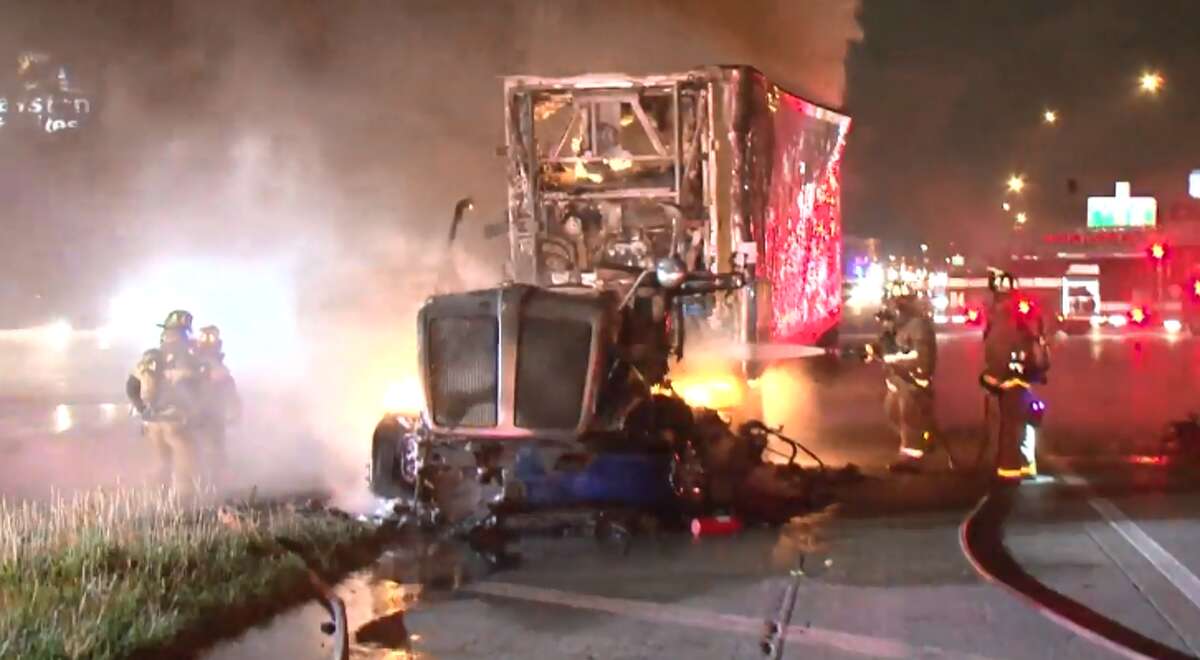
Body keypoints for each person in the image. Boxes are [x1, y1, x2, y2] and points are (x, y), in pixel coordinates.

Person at [980, 269, 1050, 480]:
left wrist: (993, 375)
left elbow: (999, 346)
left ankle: (1009, 469)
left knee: (1009, 422)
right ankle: (1026, 462)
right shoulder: (1021, 309)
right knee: (1024, 417)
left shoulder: (1003, 313)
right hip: (1024, 373)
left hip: (1009, 376)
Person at [125, 310, 205, 493]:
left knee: (162, 464)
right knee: (187, 467)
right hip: (177, 421)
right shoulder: (190, 359)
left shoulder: (151, 357)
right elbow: (200, 392)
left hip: (153, 423)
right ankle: (183, 509)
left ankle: (157, 503)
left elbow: (131, 386)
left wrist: (143, 409)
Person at [867, 281, 938, 472]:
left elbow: (921, 356)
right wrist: (871, 350)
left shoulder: (918, 326)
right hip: (898, 381)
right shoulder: (896, 327)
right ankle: (922, 439)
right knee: (892, 411)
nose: (896, 306)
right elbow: (886, 346)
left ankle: (911, 458)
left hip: (912, 381)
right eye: (894, 301)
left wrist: (908, 369)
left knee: (909, 417)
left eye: (900, 302)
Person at [193, 325, 242, 480]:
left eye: (211, 337)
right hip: (194, 414)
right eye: (205, 337)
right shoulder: (190, 361)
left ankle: (214, 483)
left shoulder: (220, 368)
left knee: (214, 451)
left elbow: (229, 389)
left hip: (212, 415)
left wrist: (235, 410)